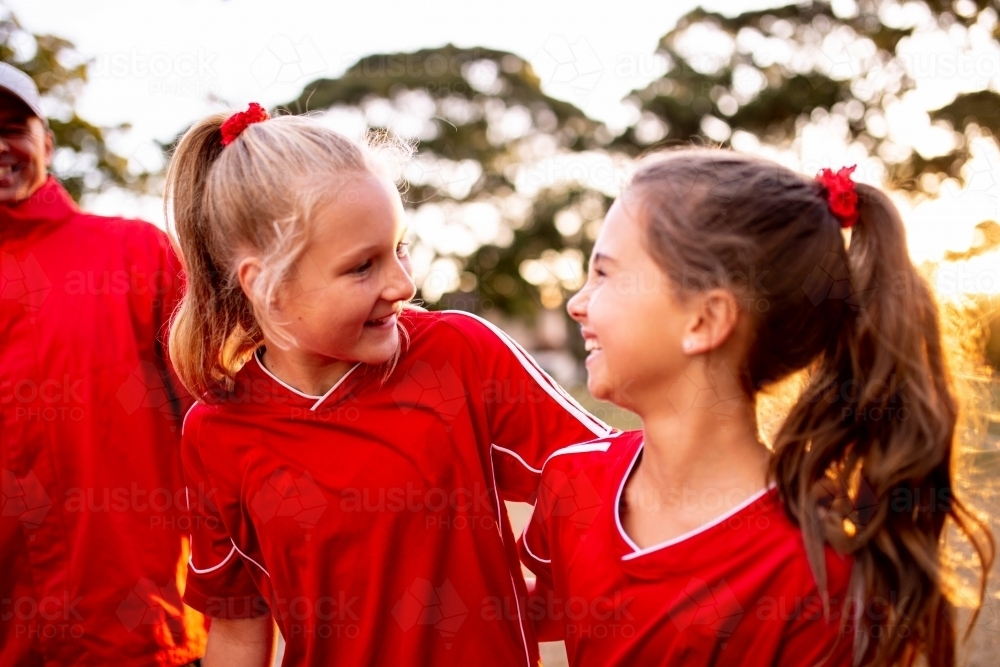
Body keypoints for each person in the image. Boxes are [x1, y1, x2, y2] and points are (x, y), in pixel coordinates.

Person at [167, 104, 613, 667]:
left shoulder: (460, 354)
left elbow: (611, 488)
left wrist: (545, 598)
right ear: (266, 286)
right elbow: (236, 629)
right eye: (362, 267)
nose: (404, 284)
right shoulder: (215, 432)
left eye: (400, 247)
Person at [518, 149, 993, 666]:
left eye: (605, 274)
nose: (576, 303)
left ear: (705, 320)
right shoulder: (572, 481)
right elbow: (511, 623)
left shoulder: (815, 579)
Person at [0, 63, 206, 665]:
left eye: (14, 126)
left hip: (139, 633)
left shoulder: (135, 253)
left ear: (47, 143)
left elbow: (216, 421)